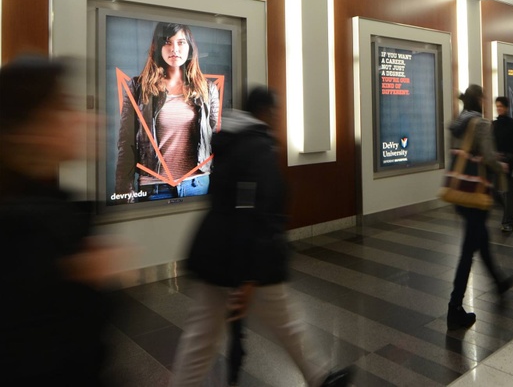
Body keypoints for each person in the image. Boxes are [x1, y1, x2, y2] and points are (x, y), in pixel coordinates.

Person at [169, 87, 351, 387]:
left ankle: (319, 376)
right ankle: (320, 377)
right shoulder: (257, 149)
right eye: (275, 111)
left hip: (216, 254)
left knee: (201, 338)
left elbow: (231, 205)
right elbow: (254, 212)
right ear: (265, 112)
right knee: (285, 321)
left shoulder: (232, 142)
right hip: (250, 258)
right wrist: (248, 276)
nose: (278, 117)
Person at [0, 56, 129, 385]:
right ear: (27, 128)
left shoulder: (51, 210)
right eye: (63, 107)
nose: (82, 119)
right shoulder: (26, 236)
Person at [115, 22, 220, 202]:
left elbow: (215, 141)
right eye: (167, 42)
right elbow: (126, 143)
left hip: (197, 185)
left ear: (190, 47)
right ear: (157, 46)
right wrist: (123, 192)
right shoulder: (138, 88)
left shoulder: (207, 89)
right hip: (154, 186)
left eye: (181, 42)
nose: (174, 49)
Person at [447, 84, 513, 330]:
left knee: (481, 239)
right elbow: (487, 156)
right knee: (468, 250)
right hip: (476, 193)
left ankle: (499, 282)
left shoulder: (457, 124)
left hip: (459, 191)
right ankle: (454, 307)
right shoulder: (482, 124)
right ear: (479, 101)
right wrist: (501, 167)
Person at [492, 96, 513, 233]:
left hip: (510, 163)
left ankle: (508, 221)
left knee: (509, 193)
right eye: (497, 106)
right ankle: (508, 210)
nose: (499, 109)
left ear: (506, 108)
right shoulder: (494, 125)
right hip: (498, 163)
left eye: (501, 106)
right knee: (494, 191)